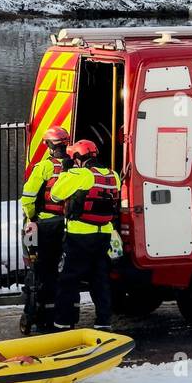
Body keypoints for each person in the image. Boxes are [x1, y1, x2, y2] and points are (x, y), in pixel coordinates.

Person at [50, 140, 121, 332]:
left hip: (79, 236)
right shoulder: (113, 175)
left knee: (68, 279)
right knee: (100, 279)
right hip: (104, 236)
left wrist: (65, 172)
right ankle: (103, 322)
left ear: (78, 158)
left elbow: (55, 195)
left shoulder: (80, 174)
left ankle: (63, 323)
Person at [18, 126, 72, 334]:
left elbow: (29, 197)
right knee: (63, 272)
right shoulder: (74, 167)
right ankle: (62, 316)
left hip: (43, 225)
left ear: (49, 145)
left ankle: (36, 315)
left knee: (38, 270)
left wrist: (31, 217)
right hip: (67, 226)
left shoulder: (44, 167)